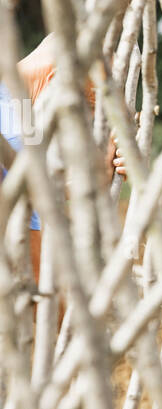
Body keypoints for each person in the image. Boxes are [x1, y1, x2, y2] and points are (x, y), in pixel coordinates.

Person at [0, 34, 126, 286]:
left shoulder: (23, 107)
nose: (92, 119)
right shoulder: (13, 118)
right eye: (90, 106)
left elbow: (39, 184)